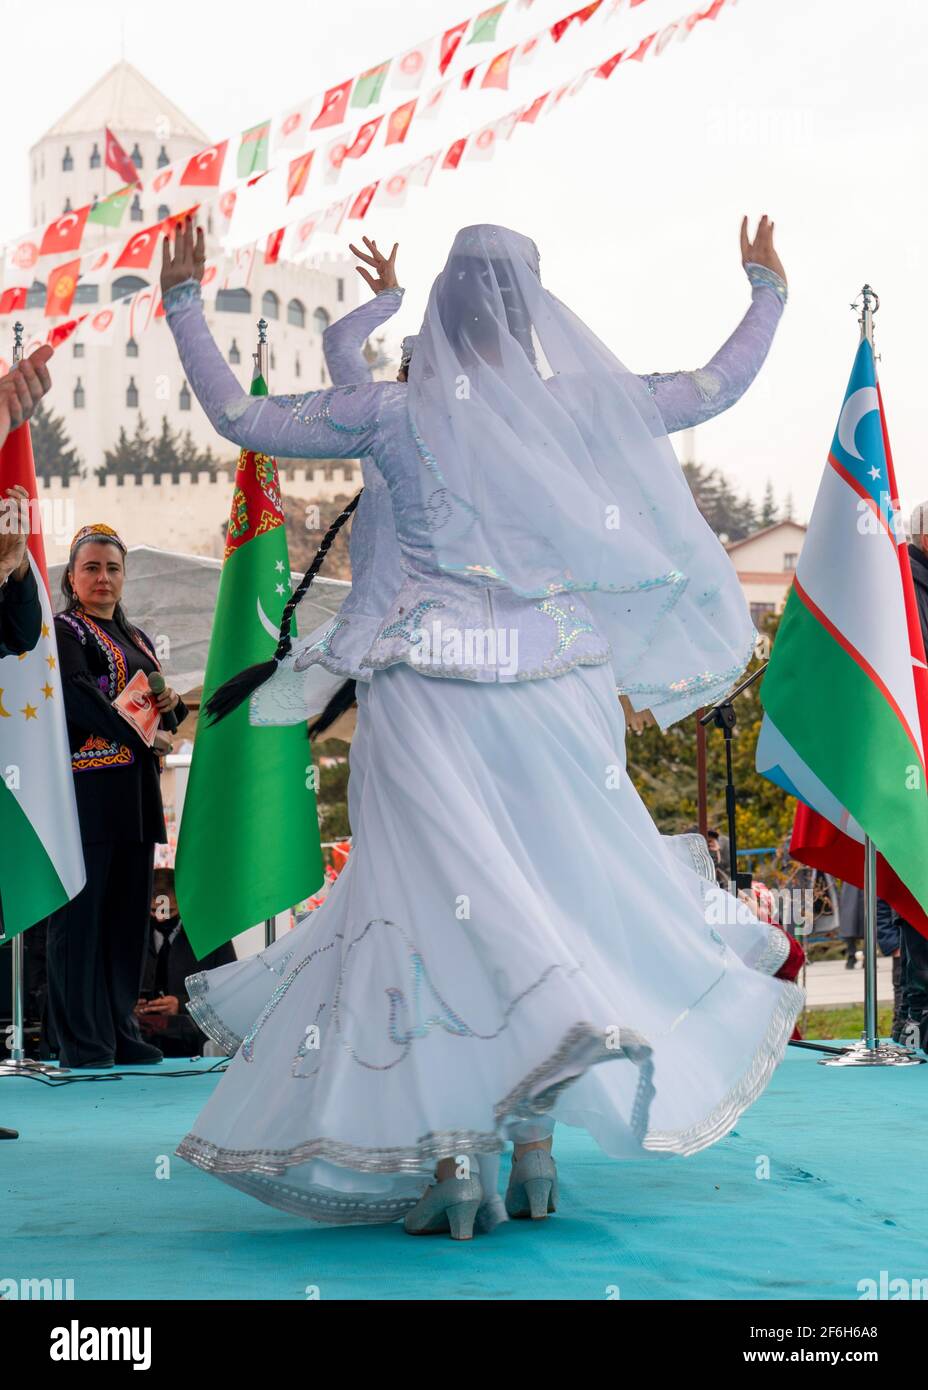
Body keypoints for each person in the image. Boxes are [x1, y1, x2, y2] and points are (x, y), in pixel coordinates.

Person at [161, 215, 801, 1239]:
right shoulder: (580, 408)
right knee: (550, 902)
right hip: (560, 692)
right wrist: (766, 290)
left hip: (428, 683)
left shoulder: (390, 411)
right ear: (532, 309)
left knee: (439, 913)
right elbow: (714, 387)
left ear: (444, 307)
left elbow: (239, 414)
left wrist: (183, 302)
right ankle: (535, 1148)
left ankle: (461, 1159)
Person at [44, 525, 188, 1068]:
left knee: (125, 917)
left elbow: (161, 714)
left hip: (133, 792)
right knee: (82, 916)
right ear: (72, 578)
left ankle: (118, 1026)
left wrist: (168, 706)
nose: (103, 578)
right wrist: (139, 729)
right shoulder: (63, 631)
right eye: (92, 568)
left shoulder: (140, 639)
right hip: (86, 791)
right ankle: (81, 1039)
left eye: (112, 569)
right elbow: (79, 702)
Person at [135, 869, 236, 1057]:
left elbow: (230, 990)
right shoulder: (129, 937)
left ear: (183, 903)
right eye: (154, 910)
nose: (161, 917)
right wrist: (128, 1004)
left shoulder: (212, 937)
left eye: (169, 911)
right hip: (138, 1041)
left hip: (197, 1044)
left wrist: (182, 1004)